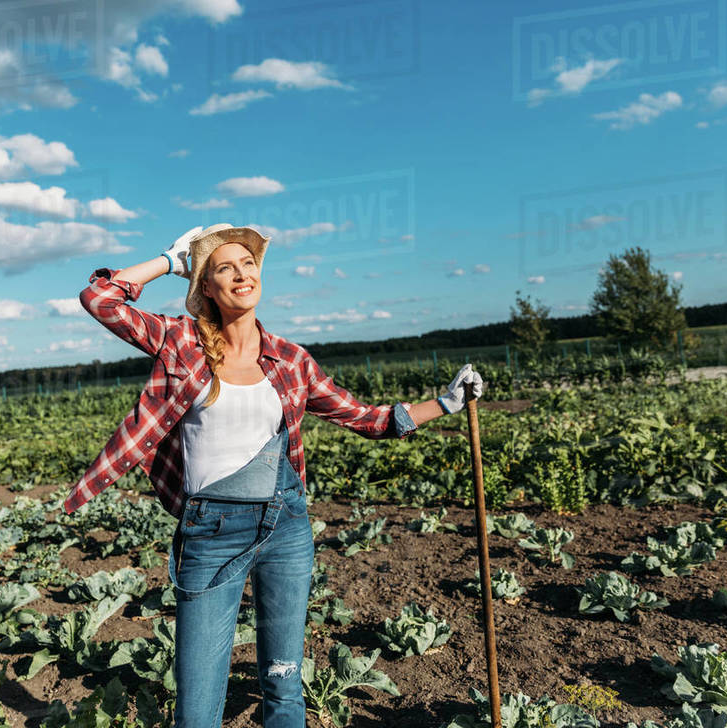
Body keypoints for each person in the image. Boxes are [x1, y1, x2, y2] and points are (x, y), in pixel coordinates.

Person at [62, 224, 485, 728]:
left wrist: (445, 402)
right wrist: (171, 261)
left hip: (286, 526)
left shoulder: (291, 359)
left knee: (284, 687)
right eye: (225, 267)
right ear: (206, 288)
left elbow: (368, 418)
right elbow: (100, 297)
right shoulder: (181, 341)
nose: (242, 273)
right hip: (211, 533)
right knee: (197, 708)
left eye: (248, 264)